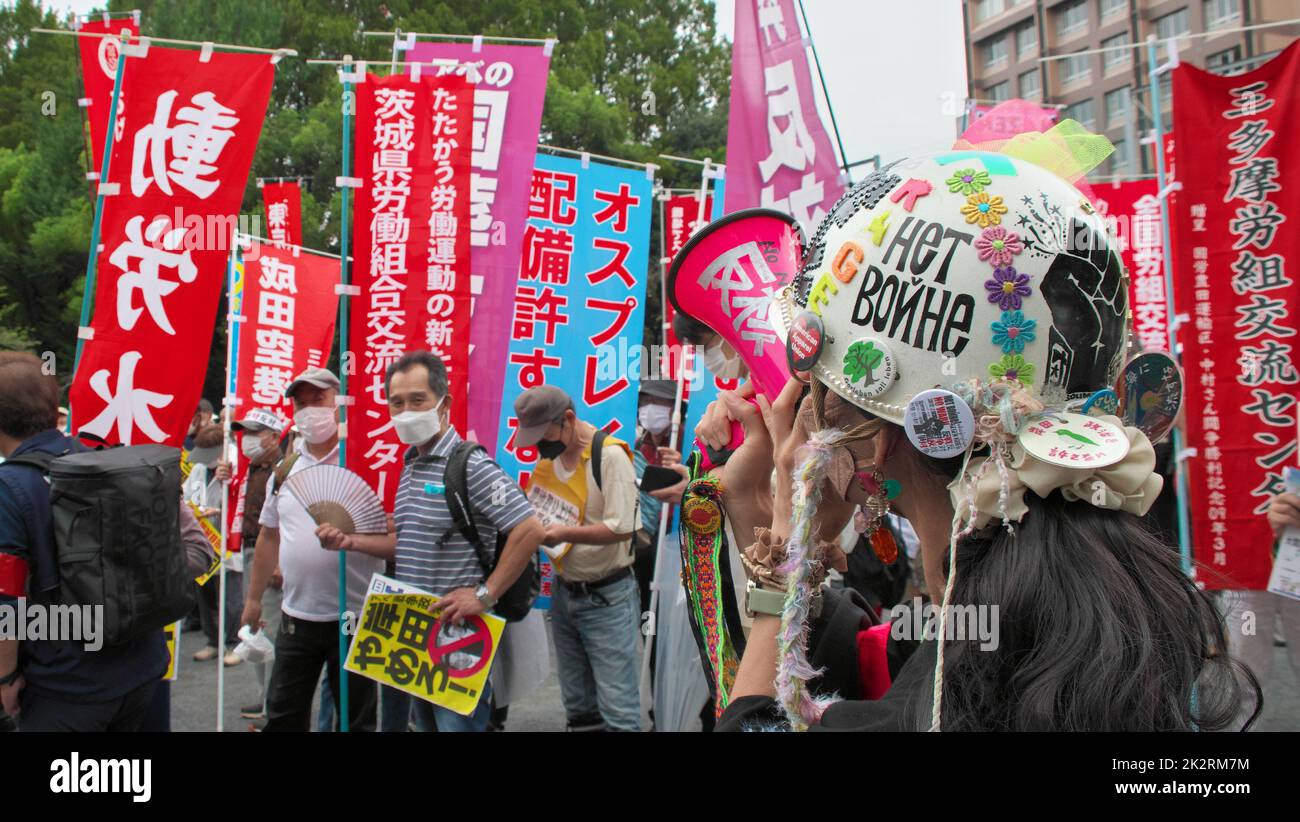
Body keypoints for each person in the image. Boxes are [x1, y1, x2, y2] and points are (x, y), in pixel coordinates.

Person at [707, 148, 1258, 731]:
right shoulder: (1106, 599)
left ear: (870, 446)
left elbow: (758, 721)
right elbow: (892, 650)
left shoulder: (947, 695)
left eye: (815, 395)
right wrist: (759, 517)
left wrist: (783, 566)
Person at [319, 350, 543, 732]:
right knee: (421, 725)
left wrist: (484, 594)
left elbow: (529, 529)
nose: (406, 411)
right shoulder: (411, 464)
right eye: (397, 402)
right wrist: (352, 541)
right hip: (412, 634)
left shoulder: (469, 464)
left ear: (444, 404)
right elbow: (407, 545)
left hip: (459, 639)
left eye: (417, 400)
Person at [0, 351, 167, 731]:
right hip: (141, 662)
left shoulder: (9, 489)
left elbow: (5, 600)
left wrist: (5, 678)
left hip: (66, 684)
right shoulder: (102, 458)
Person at [240, 367, 386, 732]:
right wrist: (254, 598)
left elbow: (395, 536)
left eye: (318, 399)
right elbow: (269, 535)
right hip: (296, 617)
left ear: (339, 400)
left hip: (355, 617)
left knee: (356, 720)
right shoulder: (285, 469)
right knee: (284, 715)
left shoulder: (364, 462)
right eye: (300, 403)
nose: (309, 410)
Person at [514, 385, 642, 732]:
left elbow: (623, 528)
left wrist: (562, 533)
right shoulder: (550, 459)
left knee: (619, 709)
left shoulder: (609, 456)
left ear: (568, 420)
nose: (541, 447)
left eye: (544, 436)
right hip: (564, 590)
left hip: (608, 597)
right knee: (577, 705)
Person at [217, 407, 288, 719]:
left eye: (255, 432)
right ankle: (265, 698)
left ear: (274, 437)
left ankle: (274, 706)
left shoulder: (285, 469)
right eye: (244, 432)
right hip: (248, 551)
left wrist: (280, 561)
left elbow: (290, 521)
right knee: (255, 628)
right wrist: (222, 479)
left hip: (270, 555)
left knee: (269, 629)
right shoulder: (247, 470)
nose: (247, 439)